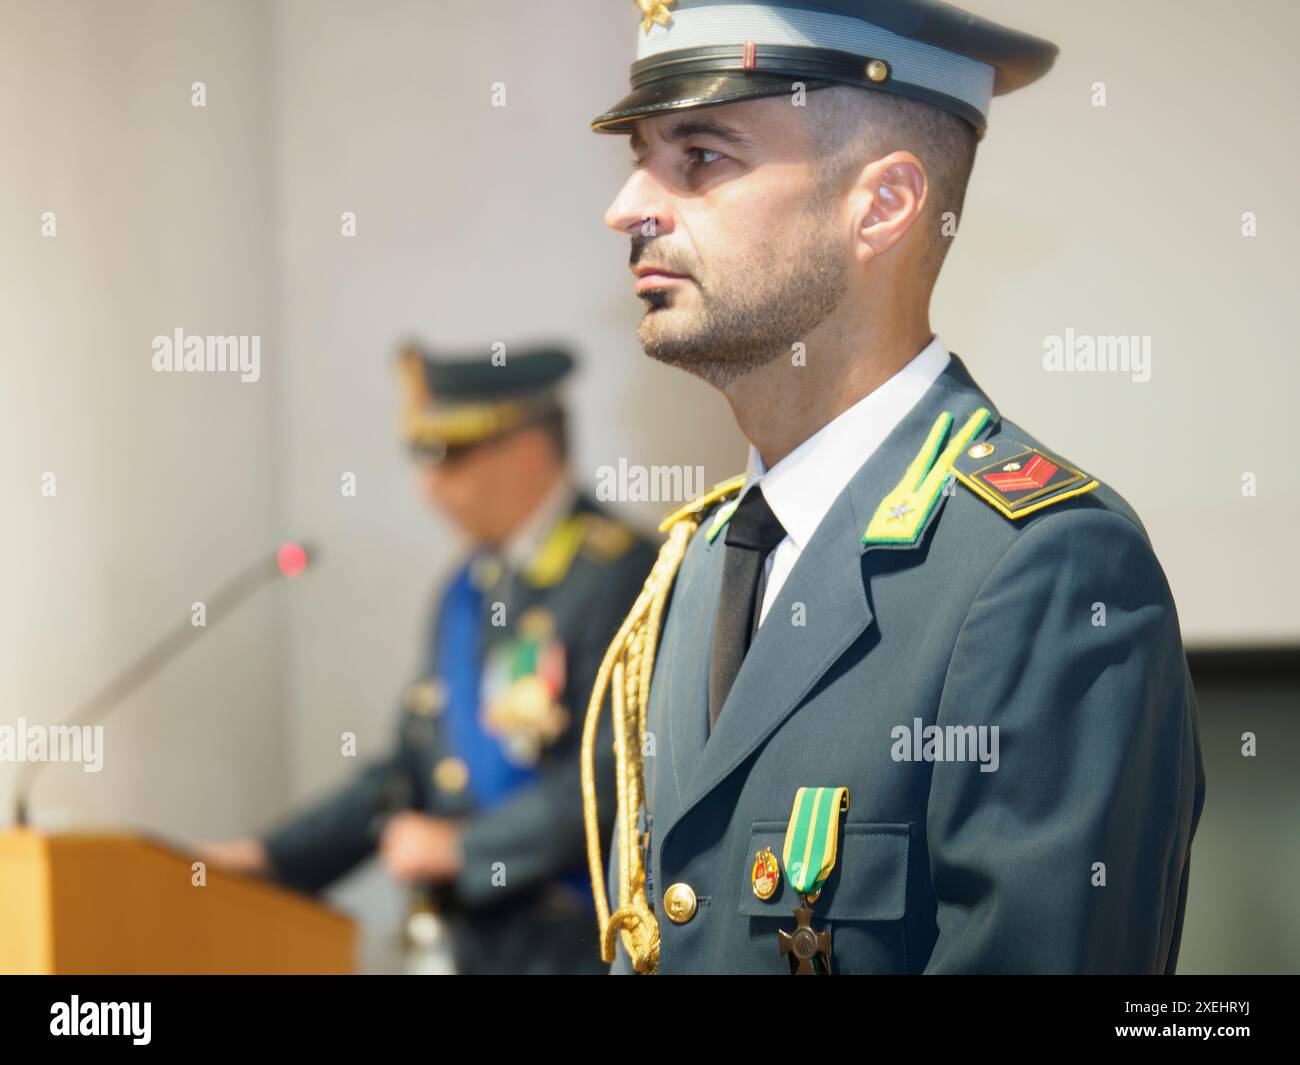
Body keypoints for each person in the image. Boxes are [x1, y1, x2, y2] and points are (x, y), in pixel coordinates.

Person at [580, 0, 1205, 974]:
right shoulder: (694, 566)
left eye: (699, 156)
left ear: (882, 205)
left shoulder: (1043, 569)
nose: (627, 208)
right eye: (638, 154)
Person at [205, 342, 657, 974]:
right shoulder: (468, 588)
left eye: (449, 455)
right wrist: (270, 857)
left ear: (526, 450)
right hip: (475, 943)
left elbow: (626, 774)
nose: (428, 486)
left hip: (575, 948)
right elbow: (406, 773)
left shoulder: (621, 574)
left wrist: (464, 847)